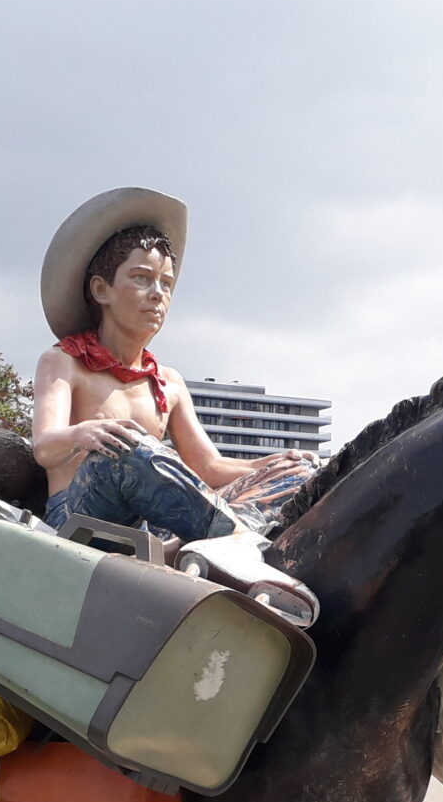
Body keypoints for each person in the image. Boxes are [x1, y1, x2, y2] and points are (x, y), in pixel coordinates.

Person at [32, 189, 315, 541]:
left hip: (152, 524)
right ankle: (241, 539)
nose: (158, 294)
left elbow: (207, 467)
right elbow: (44, 447)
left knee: (300, 475)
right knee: (129, 448)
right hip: (80, 516)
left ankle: (205, 541)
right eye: (141, 278)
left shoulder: (169, 382)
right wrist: (83, 434)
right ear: (101, 290)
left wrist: (269, 466)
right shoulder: (64, 362)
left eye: (166, 284)